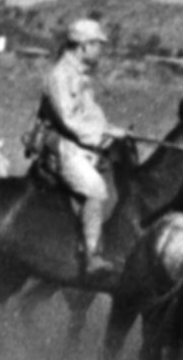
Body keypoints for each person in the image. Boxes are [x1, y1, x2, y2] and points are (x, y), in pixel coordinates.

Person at [33, 18, 125, 275]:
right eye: (97, 44)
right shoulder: (59, 75)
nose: (100, 50)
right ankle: (92, 256)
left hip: (81, 145)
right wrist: (102, 134)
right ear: (83, 46)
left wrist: (110, 129)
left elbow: (91, 114)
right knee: (95, 190)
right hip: (63, 147)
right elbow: (68, 119)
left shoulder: (81, 76)